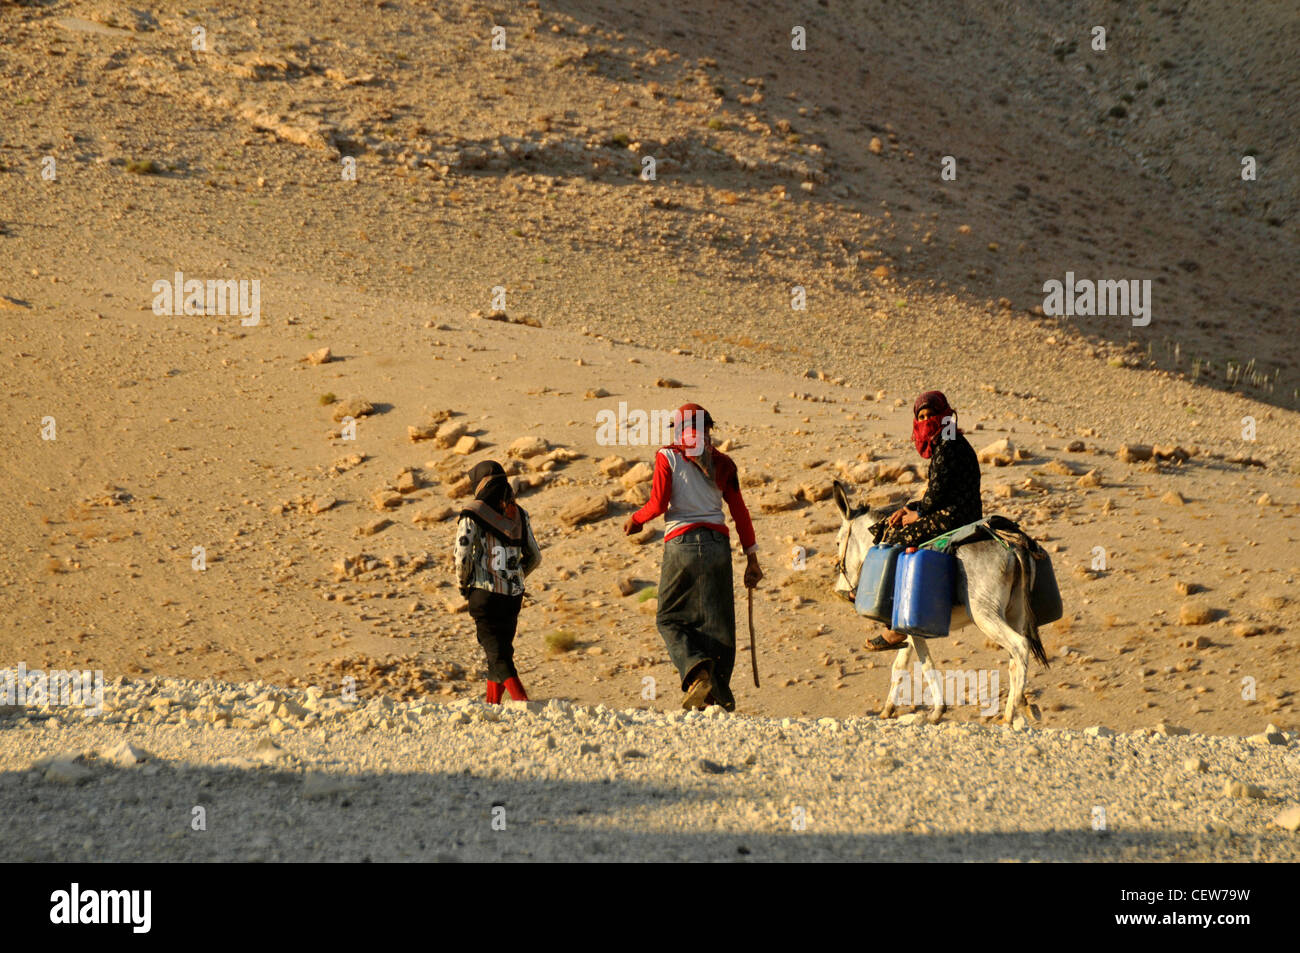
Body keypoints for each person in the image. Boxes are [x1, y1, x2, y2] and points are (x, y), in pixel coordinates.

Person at [622, 403, 762, 711]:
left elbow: (658, 504)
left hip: (681, 544)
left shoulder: (668, 456)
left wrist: (636, 519)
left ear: (679, 429)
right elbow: (740, 512)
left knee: (669, 617)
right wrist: (752, 557)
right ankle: (717, 701)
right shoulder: (724, 463)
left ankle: (697, 674)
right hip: (717, 547)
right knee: (718, 626)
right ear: (708, 429)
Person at [870, 390, 982, 650]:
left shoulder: (949, 444)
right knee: (892, 521)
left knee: (896, 536)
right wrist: (910, 508)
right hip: (958, 510)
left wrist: (917, 513)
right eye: (921, 417)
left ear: (944, 415)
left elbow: (937, 494)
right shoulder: (950, 439)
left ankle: (894, 623)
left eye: (931, 415)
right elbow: (939, 491)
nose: (926, 421)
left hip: (953, 516)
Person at [453, 460, 543, 702]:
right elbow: (535, 557)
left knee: (498, 656)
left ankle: (524, 704)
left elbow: (462, 556)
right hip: (512, 597)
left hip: (484, 594)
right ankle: (492, 707)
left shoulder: (472, 513)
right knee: (499, 653)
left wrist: (464, 585)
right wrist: (516, 576)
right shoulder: (519, 514)